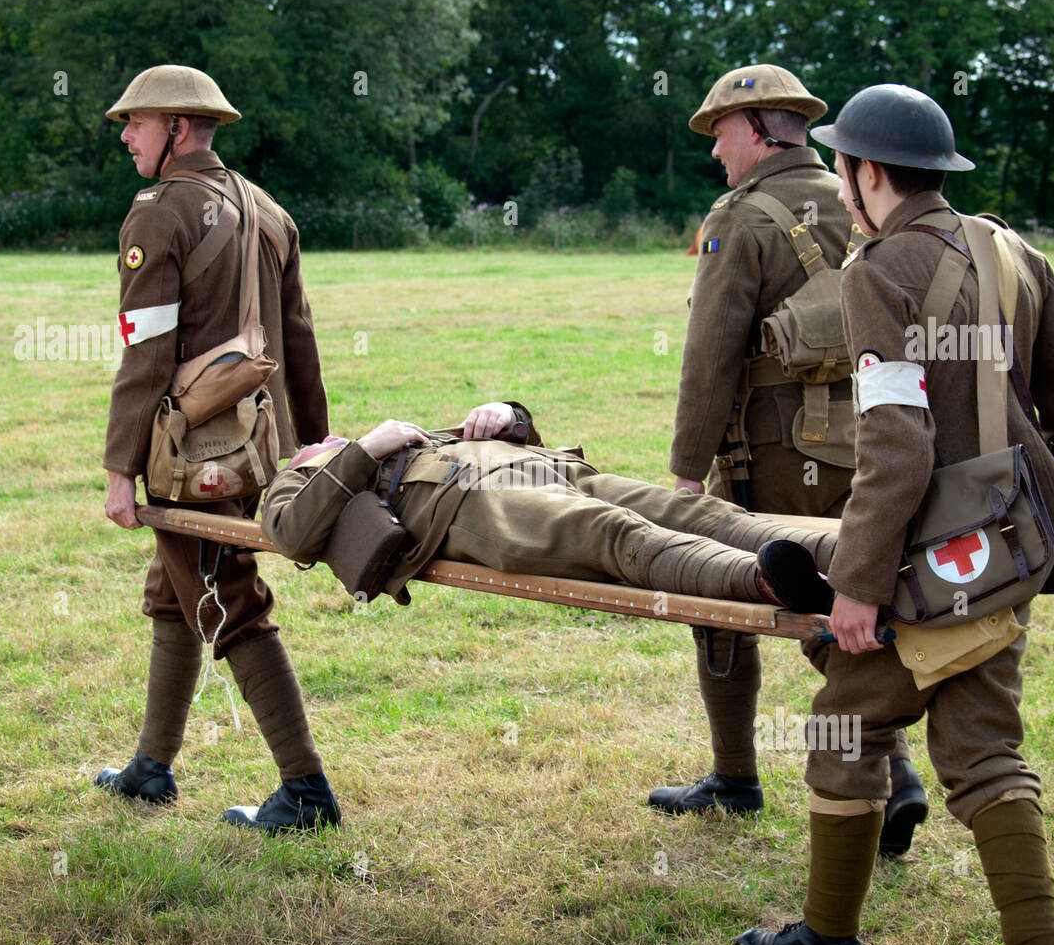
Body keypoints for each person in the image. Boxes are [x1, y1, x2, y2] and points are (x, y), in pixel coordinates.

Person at [733, 85, 1054, 945]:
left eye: (846, 173)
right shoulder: (1014, 252)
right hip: (1007, 552)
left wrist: (857, 590)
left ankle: (827, 942)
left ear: (865, 174)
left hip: (924, 567)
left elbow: (896, 447)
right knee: (984, 751)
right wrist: (1039, 516)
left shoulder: (875, 273)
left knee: (843, 727)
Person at [660, 64, 925, 853]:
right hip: (871, 443)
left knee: (734, 594)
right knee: (854, 601)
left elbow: (710, 353)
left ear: (756, 128)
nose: (715, 154)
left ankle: (738, 778)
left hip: (773, 449)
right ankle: (898, 772)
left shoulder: (739, 217)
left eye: (720, 135)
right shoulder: (865, 201)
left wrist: (685, 469)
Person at [96, 65, 339, 834]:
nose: (125, 133)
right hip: (260, 452)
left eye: (135, 121)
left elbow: (147, 355)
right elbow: (300, 346)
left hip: (187, 461)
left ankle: (305, 790)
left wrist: (117, 470)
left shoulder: (159, 213)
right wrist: (312, 446)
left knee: (230, 605)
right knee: (176, 593)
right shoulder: (269, 210)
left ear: (176, 127)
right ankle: (152, 768)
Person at [260, 402, 840, 616]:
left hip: (548, 470)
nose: (324, 438)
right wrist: (360, 450)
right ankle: (766, 581)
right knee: (615, 535)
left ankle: (848, 554)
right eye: (314, 444)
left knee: (699, 512)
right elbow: (290, 535)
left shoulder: (395, 436)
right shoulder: (299, 479)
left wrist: (506, 414)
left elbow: (522, 432)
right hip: (474, 508)